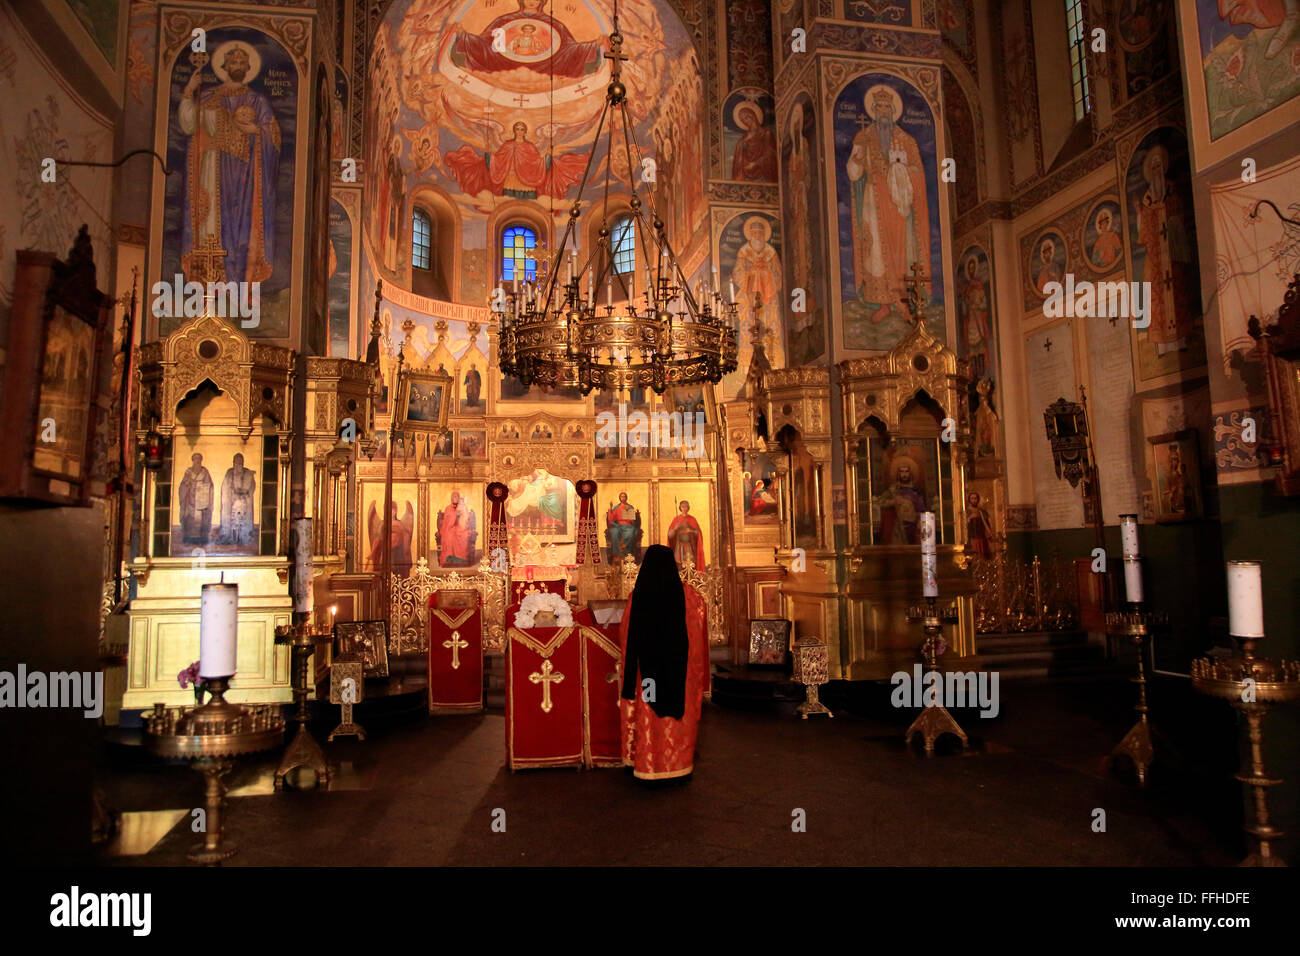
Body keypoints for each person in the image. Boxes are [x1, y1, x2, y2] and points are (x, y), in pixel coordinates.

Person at [618, 545, 709, 782]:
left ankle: (649, 766)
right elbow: (698, 636)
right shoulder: (691, 597)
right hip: (680, 673)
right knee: (678, 723)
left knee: (650, 718)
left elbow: (627, 635)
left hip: (648, 676)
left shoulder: (637, 597)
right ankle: (678, 766)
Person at [219, 453, 257, 546]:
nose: (238, 464)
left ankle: (244, 537)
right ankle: (229, 536)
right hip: (232, 502)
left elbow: (252, 486)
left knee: (242, 520)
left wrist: (245, 493)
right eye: (237, 462)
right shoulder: (229, 472)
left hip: (244, 501)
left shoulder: (247, 472)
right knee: (233, 521)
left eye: (240, 462)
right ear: (233, 463)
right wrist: (232, 495)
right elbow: (225, 487)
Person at [178, 453, 214, 546]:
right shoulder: (188, 472)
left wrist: (203, 487)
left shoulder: (205, 472)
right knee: (189, 518)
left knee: (201, 519)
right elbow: (183, 485)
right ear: (193, 460)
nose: (197, 461)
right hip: (190, 499)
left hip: (201, 499)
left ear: (201, 461)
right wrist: (187, 484)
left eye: (199, 459)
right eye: (195, 459)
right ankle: (189, 539)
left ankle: (201, 540)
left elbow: (210, 485)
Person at [667, 500, 705, 570]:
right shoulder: (676, 519)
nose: (684, 508)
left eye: (686, 506)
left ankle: (690, 580)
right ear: (680, 508)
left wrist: (691, 530)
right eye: (683, 506)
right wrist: (675, 528)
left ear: (688, 508)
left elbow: (698, 533)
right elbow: (670, 535)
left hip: (689, 547)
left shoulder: (692, 519)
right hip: (679, 546)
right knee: (679, 565)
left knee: (690, 565)